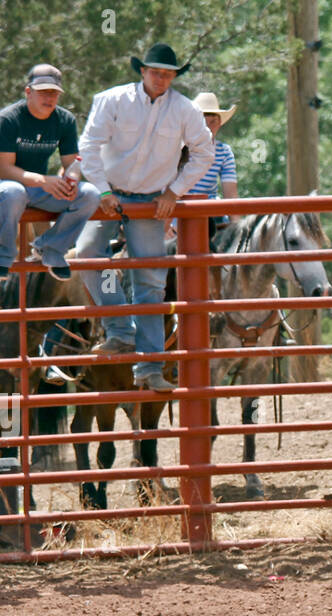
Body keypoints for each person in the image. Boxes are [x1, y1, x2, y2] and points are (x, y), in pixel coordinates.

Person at [75, 42, 215, 391]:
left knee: (151, 282)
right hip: (111, 194)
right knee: (89, 254)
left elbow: (204, 151)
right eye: (156, 72)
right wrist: (103, 190)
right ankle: (121, 330)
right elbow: (88, 145)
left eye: (168, 74)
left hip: (151, 200)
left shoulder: (183, 110)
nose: (162, 79)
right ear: (143, 72)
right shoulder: (113, 100)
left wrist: (174, 192)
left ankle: (149, 367)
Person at [0, 63, 101, 281]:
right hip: (0, 185)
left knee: (90, 194)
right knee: (13, 191)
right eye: (44, 91)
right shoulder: (8, 118)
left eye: (54, 93)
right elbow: (4, 170)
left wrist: (70, 182)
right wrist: (44, 181)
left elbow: (71, 164)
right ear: (28, 92)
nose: (50, 98)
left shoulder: (65, 120)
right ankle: (1, 255)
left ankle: (51, 249)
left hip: (38, 189)